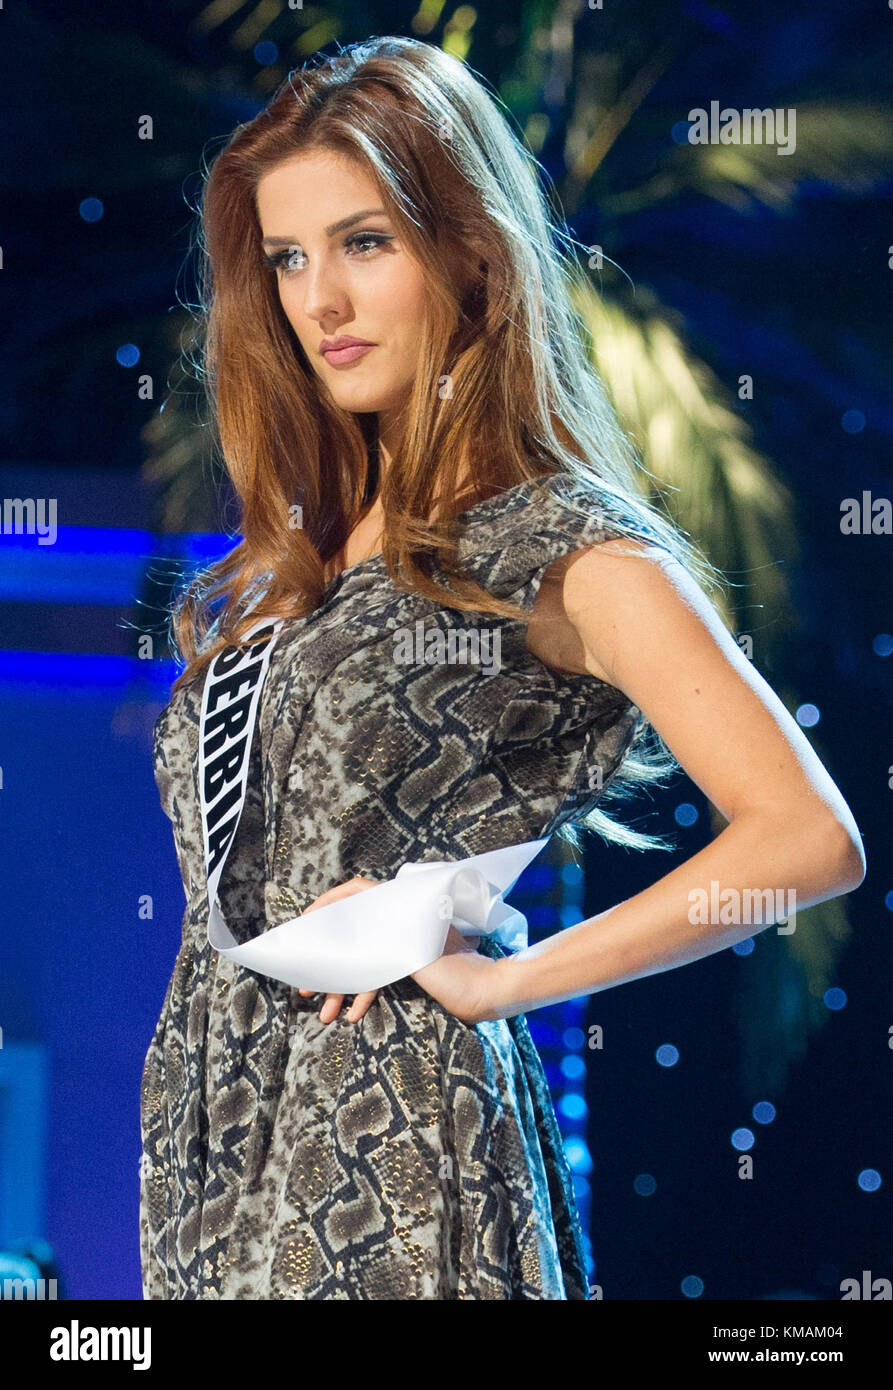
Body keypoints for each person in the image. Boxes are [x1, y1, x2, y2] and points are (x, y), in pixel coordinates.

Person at [139, 35, 865, 1301]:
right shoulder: (302, 559)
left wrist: (508, 981)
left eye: (365, 243)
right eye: (289, 258)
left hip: (389, 1130)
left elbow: (804, 837)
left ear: (466, 249)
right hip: (213, 1130)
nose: (320, 302)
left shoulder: (555, 543)